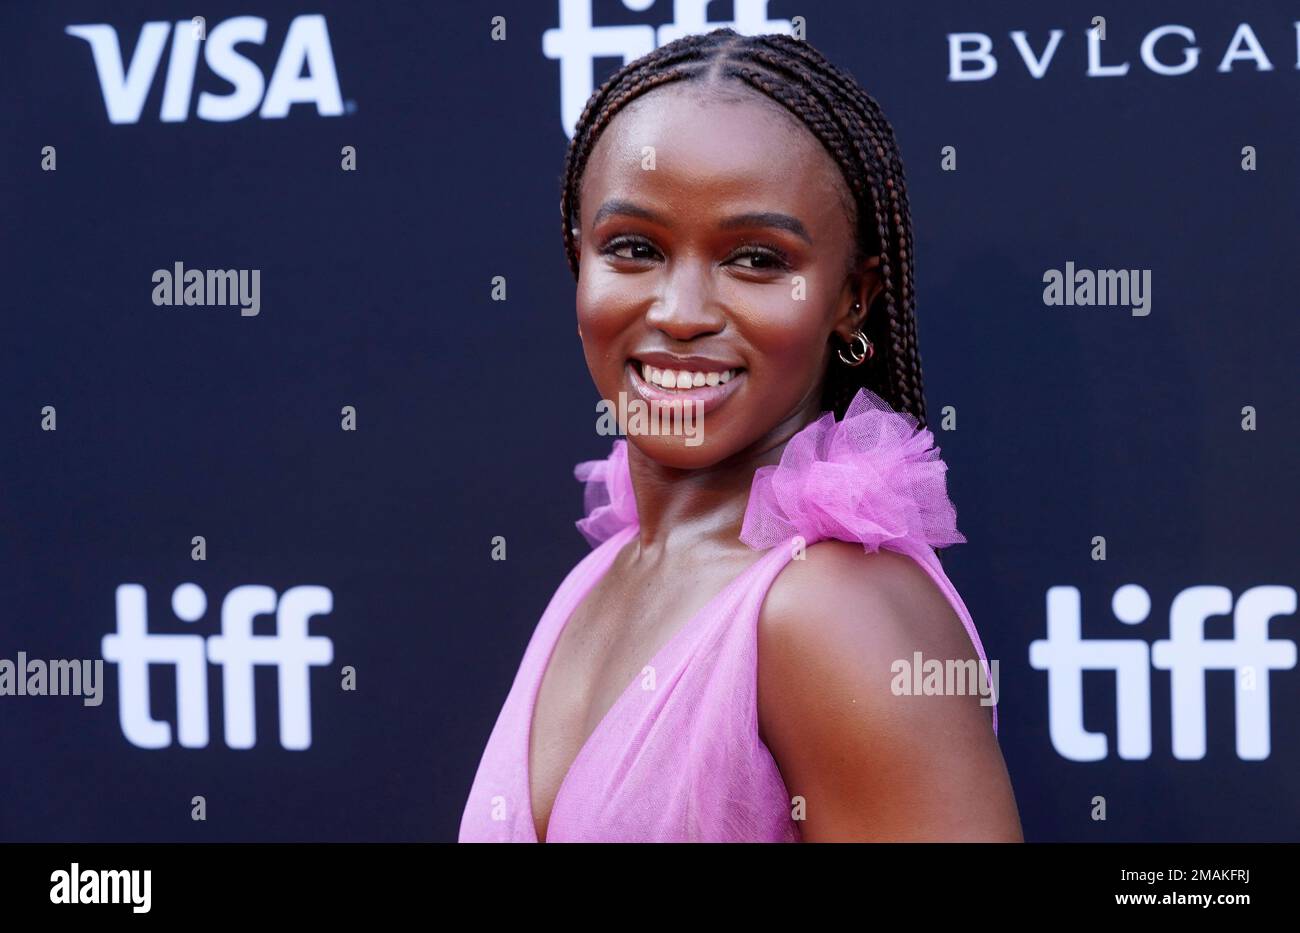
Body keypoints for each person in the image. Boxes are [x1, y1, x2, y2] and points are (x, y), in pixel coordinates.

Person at [460, 27, 1022, 842]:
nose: (681, 312)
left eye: (756, 259)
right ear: (578, 261)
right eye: (634, 248)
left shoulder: (834, 612)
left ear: (851, 298)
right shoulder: (598, 577)